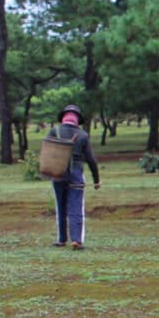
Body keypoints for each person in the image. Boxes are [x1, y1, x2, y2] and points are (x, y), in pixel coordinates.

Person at [49, 104, 101, 250]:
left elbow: (47, 152)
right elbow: (91, 160)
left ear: (63, 117)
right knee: (76, 206)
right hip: (76, 174)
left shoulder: (54, 131)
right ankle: (76, 240)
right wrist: (96, 180)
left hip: (57, 173)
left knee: (60, 206)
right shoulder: (83, 135)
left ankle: (61, 240)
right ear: (77, 119)